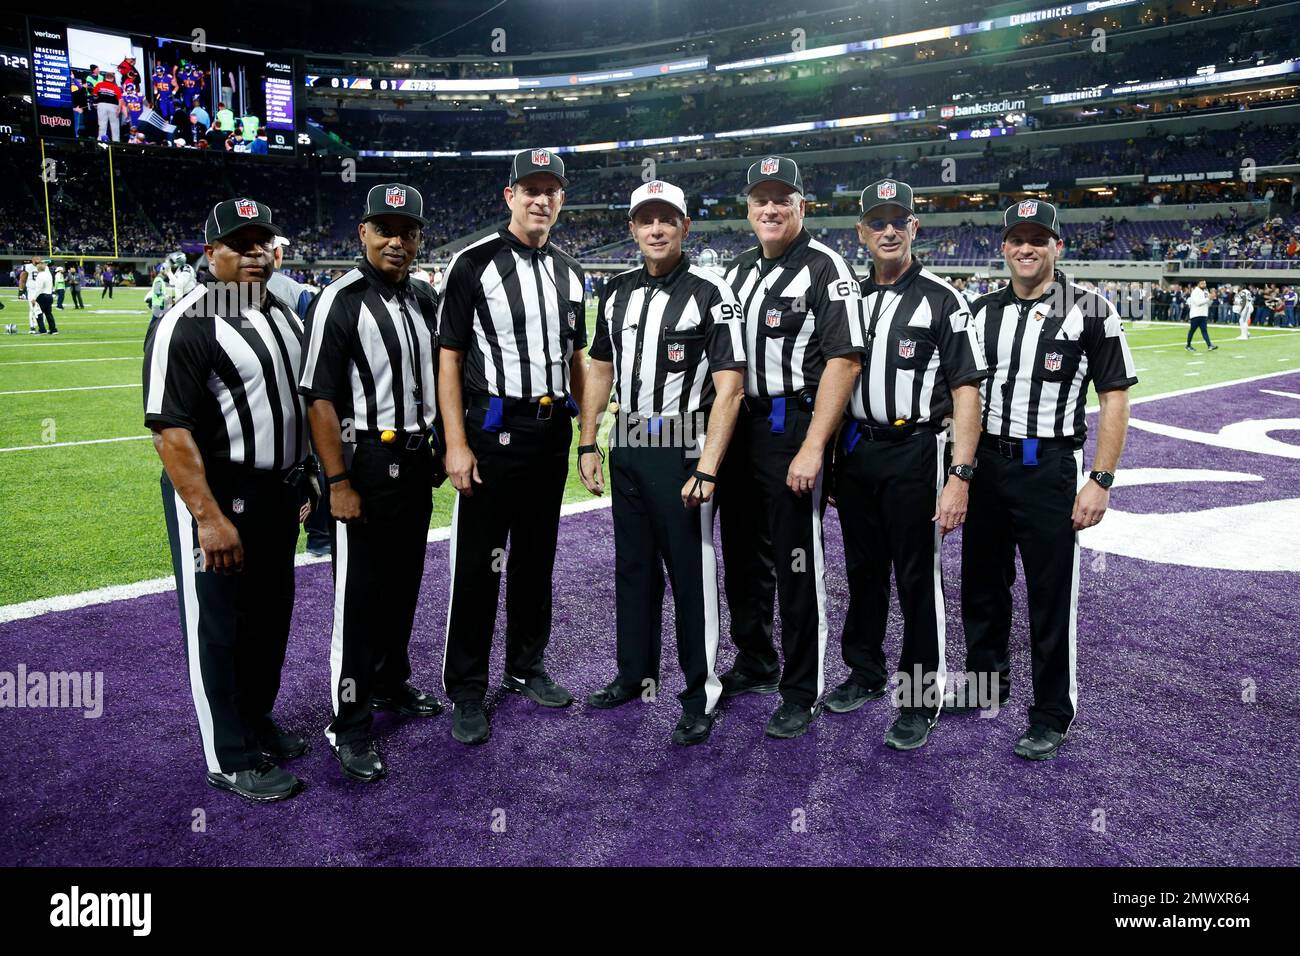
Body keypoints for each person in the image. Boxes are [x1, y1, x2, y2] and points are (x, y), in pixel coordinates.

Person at [143, 197, 314, 802]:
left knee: (269, 617)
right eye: (240, 244)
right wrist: (207, 517)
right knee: (218, 624)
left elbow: (297, 405)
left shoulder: (284, 313)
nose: (255, 253)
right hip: (220, 496)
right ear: (209, 249)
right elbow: (171, 430)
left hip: (278, 492)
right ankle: (229, 755)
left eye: (264, 242)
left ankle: (255, 720)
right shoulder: (185, 322)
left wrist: (308, 475)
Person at [958, 198, 1138, 761]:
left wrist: (1101, 478)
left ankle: (1052, 711)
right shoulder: (981, 310)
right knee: (982, 583)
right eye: (1017, 238)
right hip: (987, 463)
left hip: (1049, 466)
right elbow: (964, 395)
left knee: (1050, 593)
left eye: (1039, 238)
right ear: (1004, 247)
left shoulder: (1090, 308)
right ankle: (986, 683)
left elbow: (1114, 398)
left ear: (1058, 246)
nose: (1026, 248)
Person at [579, 180, 747, 746]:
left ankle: (700, 692)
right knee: (633, 568)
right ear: (631, 228)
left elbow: (730, 389)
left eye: (666, 220)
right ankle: (635, 673)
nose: (655, 229)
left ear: (684, 227)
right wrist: (587, 441)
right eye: (645, 220)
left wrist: (707, 466)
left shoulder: (711, 292)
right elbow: (600, 368)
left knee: (691, 575)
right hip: (627, 444)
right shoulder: (618, 290)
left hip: (681, 450)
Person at [825, 180, 987, 750]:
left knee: (917, 577)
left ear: (915, 228)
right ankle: (864, 672)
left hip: (916, 448)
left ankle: (921, 695)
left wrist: (959, 475)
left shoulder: (944, 298)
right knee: (863, 571)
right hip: (857, 449)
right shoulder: (845, 295)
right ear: (861, 233)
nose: (889, 231)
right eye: (877, 222)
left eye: (900, 221)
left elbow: (968, 391)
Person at [436, 148, 587, 745]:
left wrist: (587, 433)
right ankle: (468, 688)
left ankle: (526, 667)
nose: (540, 199)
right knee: (477, 566)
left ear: (560, 200)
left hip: (550, 433)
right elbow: (447, 359)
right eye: (530, 188)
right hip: (491, 433)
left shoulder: (572, 272)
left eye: (550, 190)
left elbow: (576, 358)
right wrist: (455, 442)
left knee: (534, 561)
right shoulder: (472, 264)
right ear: (509, 196)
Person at [716, 156, 866, 739]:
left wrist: (812, 447)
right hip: (739, 431)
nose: (771, 209)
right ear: (748, 210)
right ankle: (755, 661)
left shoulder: (826, 269)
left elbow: (844, 360)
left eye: (783, 200)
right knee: (742, 559)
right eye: (761, 201)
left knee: (796, 563)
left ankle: (801, 687)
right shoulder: (736, 271)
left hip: (790, 428)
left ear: (802, 205)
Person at [300, 183, 445, 782]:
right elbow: (320, 398)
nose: (395, 240)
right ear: (362, 233)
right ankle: (348, 721)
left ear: (418, 238)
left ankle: (390, 683)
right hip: (364, 463)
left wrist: (437, 444)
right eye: (384, 229)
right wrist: (336, 480)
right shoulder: (340, 299)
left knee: (404, 583)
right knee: (359, 597)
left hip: (414, 463)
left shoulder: (424, 299)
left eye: (406, 231)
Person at [92, 73, 125, 142]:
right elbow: (120, 99)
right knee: (114, 125)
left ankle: (100, 141)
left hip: (102, 105)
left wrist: (96, 103)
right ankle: (116, 142)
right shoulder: (116, 87)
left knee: (102, 124)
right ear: (113, 79)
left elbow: (94, 95)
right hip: (113, 106)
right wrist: (119, 108)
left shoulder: (99, 85)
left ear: (105, 77)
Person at [1184, 280, 1215, 352]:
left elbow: (1208, 304)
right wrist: (1208, 298)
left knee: (1204, 331)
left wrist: (1212, 298)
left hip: (1203, 314)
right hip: (1196, 314)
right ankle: (1188, 345)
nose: (1204, 284)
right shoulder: (1195, 292)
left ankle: (1209, 345)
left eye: (1205, 283)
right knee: (1192, 330)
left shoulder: (1206, 292)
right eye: (1202, 283)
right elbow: (1198, 303)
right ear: (1198, 284)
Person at [29, 259, 57, 335]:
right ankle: (53, 329)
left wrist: (34, 298)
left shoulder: (40, 276)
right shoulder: (48, 274)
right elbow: (48, 264)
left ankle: (42, 330)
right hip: (49, 295)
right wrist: (43, 262)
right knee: (48, 314)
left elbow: (39, 289)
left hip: (42, 296)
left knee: (38, 313)